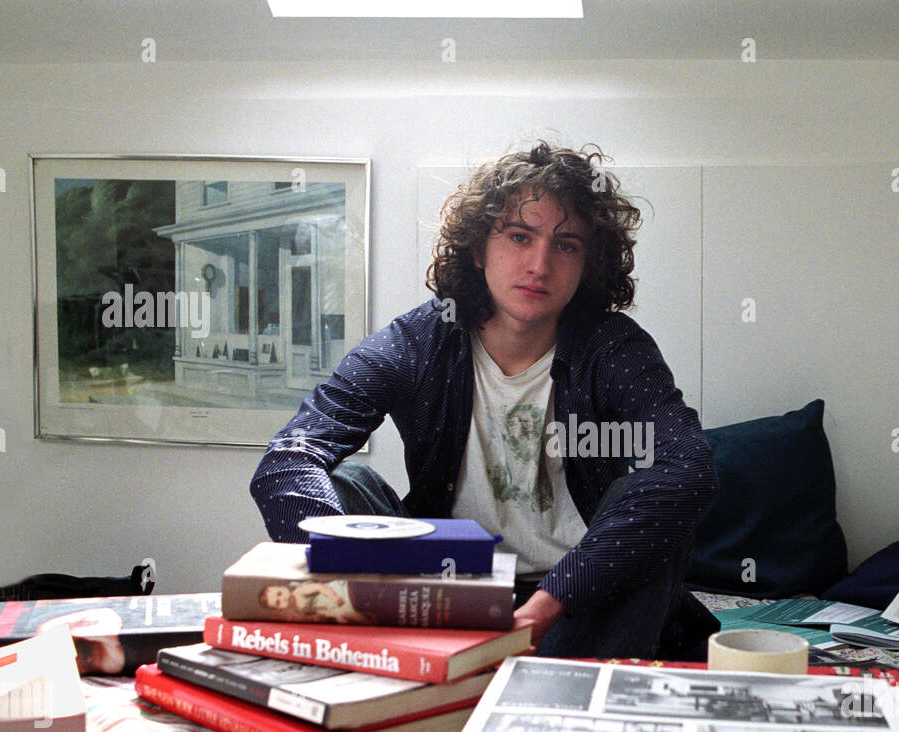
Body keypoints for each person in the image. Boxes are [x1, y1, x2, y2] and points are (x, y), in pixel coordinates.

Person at [250, 141, 719, 659]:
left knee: (652, 489)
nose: (539, 264)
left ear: (587, 263)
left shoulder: (612, 347)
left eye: (565, 245)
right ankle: (383, 645)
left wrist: (550, 602)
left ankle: (571, 673)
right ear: (478, 249)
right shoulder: (417, 342)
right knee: (346, 481)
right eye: (520, 236)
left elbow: (689, 467)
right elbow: (290, 456)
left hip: (584, 596)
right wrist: (342, 566)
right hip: (449, 584)